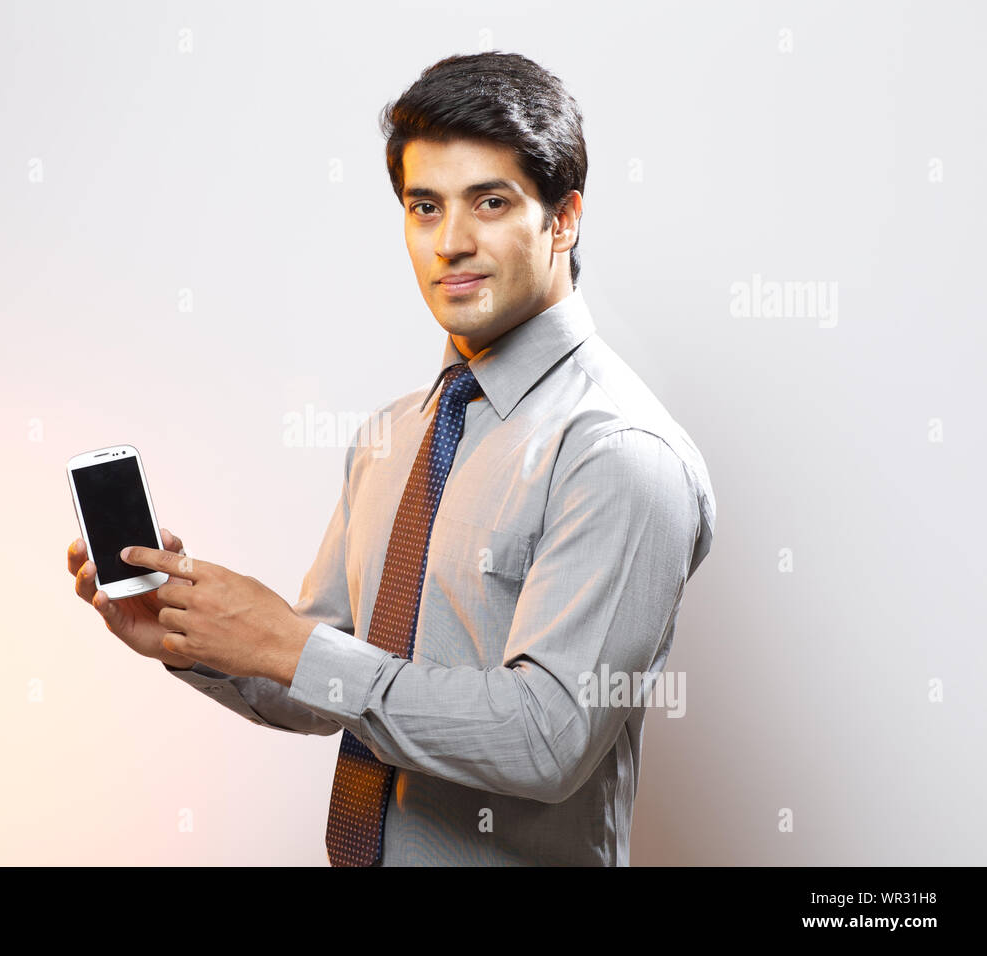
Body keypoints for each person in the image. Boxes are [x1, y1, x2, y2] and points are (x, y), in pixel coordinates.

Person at [67, 51, 715, 866]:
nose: (451, 241)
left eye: (489, 201)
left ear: (563, 219)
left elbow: (547, 739)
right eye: (423, 206)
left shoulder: (618, 453)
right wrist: (191, 636)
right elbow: (325, 681)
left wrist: (290, 646)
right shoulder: (393, 434)